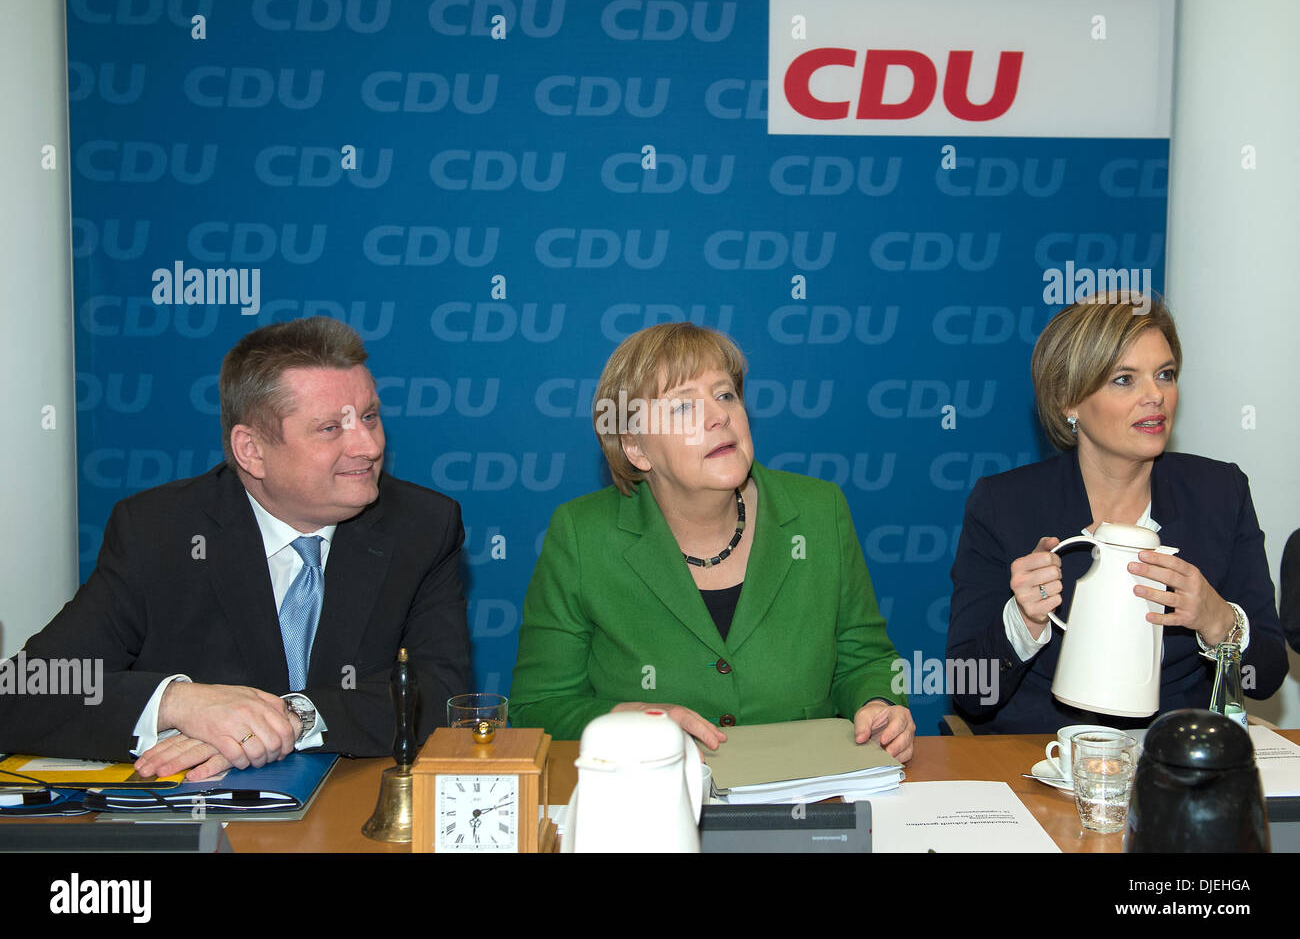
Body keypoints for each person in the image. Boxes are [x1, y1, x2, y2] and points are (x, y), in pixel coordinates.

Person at [0, 317, 471, 778]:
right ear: (251, 450)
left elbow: (442, 693)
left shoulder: (421, 526)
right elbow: (27, 689)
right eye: (331, 428)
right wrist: (178, 703)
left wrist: (288, 719)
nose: (368, 445)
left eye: (369, 417)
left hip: (348, 807)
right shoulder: (158, 531)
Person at [509, 323, 915, 761]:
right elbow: (538, 708)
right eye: (683, 407)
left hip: (804, 794)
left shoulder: (820, 511)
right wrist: (634, 719)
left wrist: (880, 704)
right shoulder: (581, 534)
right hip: (655, 801)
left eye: (725, 395)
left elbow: (867, 660)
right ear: (636, 448)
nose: (718, 416)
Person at [947, 293, 1287, 732]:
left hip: (1173, 761)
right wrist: (1024, 619)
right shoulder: (1004, 503)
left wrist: (1216, 619)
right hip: (1039, 756)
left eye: (1165, 375)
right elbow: (970, 693)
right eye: (1125, 379)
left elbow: (1267, 678)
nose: (1155, 396)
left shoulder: (1221, 493)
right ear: (1068, 401)